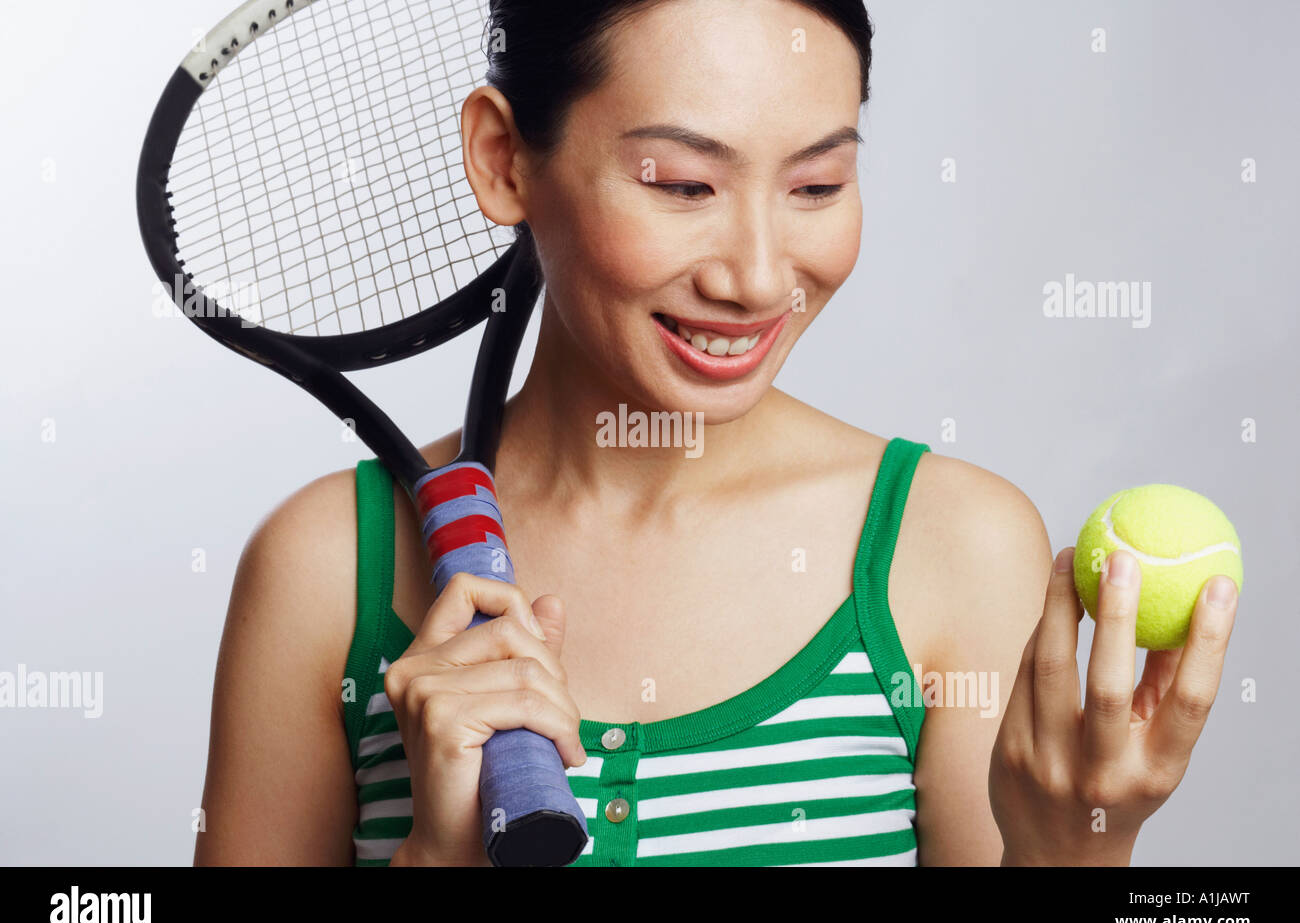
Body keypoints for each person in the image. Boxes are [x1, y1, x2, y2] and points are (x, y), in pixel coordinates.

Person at [193, 0, 1240, 866]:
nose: (755, 273)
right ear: (505, 159)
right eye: (684, 185)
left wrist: (1069, 851)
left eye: (817, 186)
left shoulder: (949, 546)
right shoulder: (325, 570)